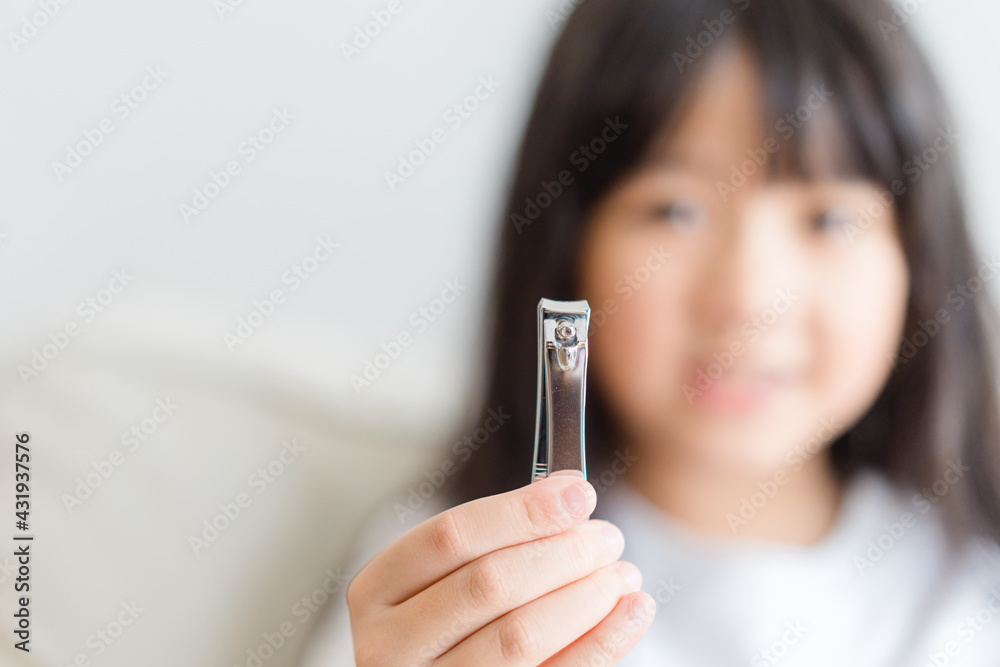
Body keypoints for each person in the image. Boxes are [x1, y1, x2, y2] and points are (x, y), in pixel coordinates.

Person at [301, 0, 1000, 664]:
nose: (748, 296)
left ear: (921, 265)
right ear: (567, 245)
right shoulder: (435, 582)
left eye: (829, 219)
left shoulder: (973, 591)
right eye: (674, 211)